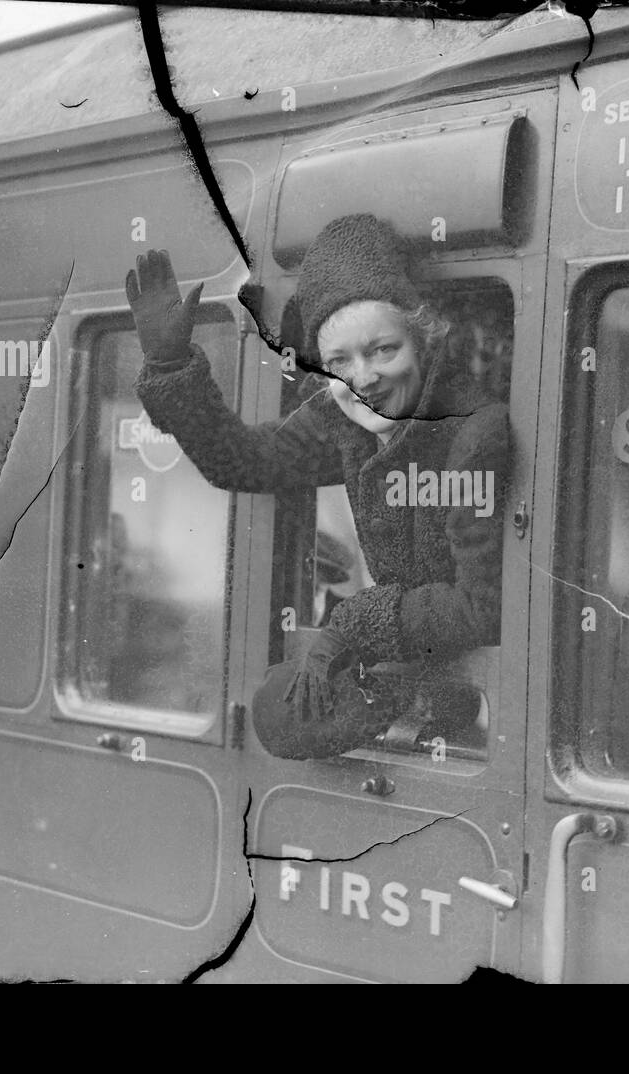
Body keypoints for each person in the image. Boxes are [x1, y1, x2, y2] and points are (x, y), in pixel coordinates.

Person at [125, 214, 509, 758]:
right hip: (419, 665)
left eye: (383, 350)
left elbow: (480, 607)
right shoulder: (345, 426)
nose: (365, 379)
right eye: (338, 363)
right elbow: (244, 463)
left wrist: (353, 623)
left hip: (490, 702)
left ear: (423, 341)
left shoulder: (473, 436)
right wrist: (170, 364)